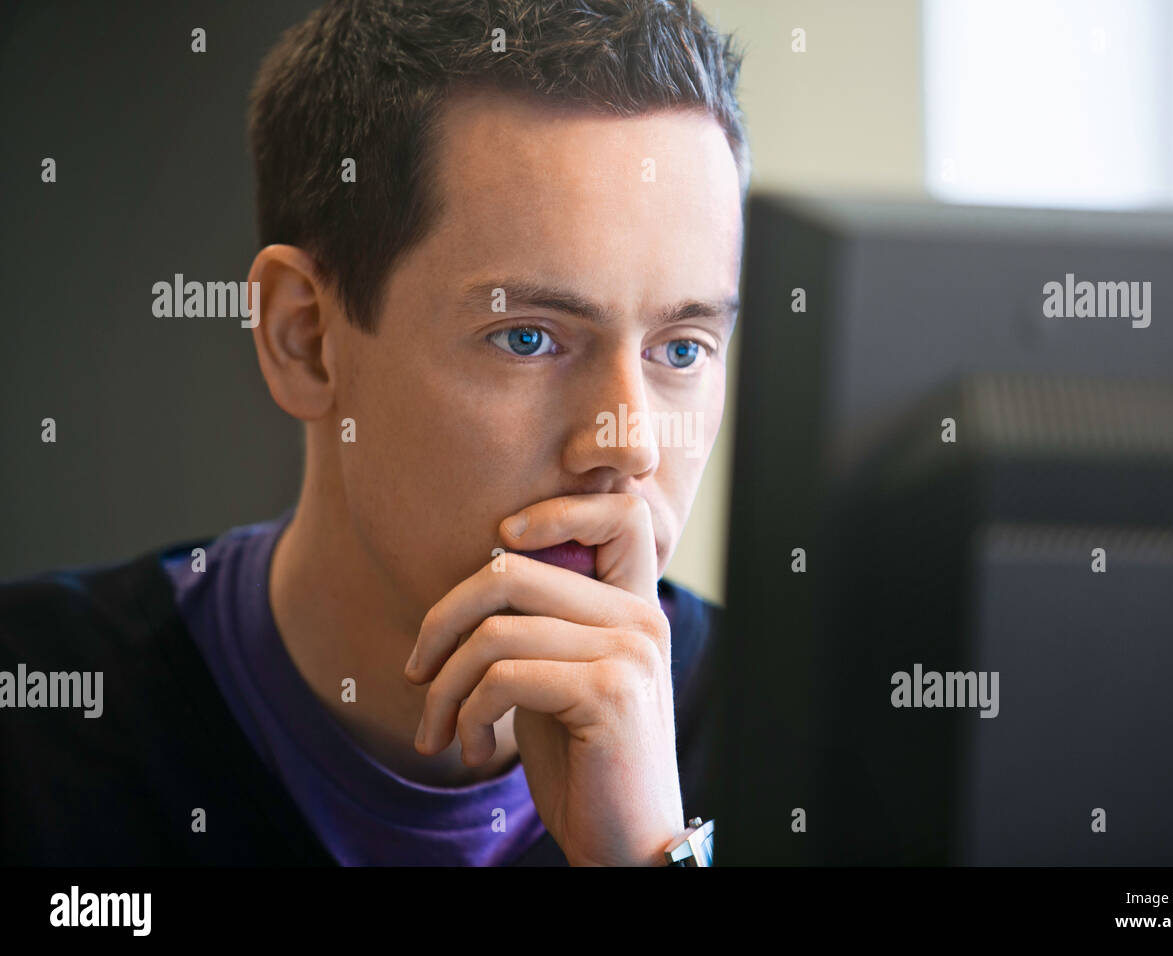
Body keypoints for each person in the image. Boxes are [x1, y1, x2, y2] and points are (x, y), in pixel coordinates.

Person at [0, 0, 749, 866]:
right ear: (305, 338)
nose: (628, 442)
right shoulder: (37, 727)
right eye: (528, 337)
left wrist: (646, 857)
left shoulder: (815, 739)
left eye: (682, 348)